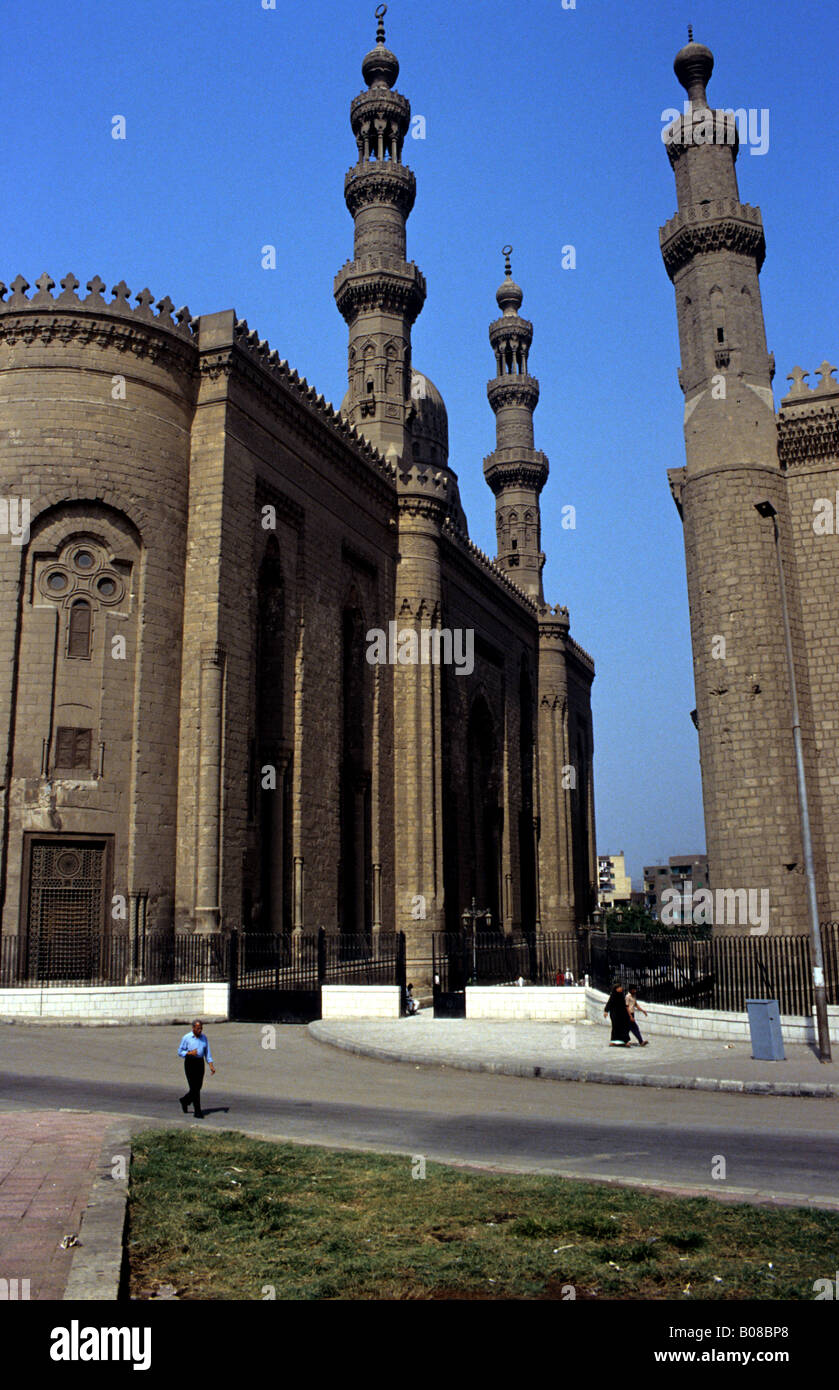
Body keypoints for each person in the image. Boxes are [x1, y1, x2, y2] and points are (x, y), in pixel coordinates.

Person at [178, 1019, 215, 1118]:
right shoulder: (186, 1038)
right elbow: (180, 1052)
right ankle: (197, 1111)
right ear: (193, 1028)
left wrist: (211, 1065)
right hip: (190, 1062)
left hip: (200, 1063)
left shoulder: (204, 1038)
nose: (200, 1030)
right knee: (194, 1088)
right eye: (198, 1028)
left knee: (198, 1086)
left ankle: (185, 1100)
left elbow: (207, 1052)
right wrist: (189, 1053)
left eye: (201, 1028)